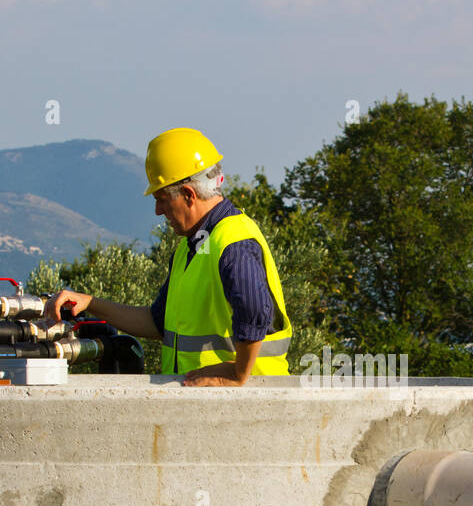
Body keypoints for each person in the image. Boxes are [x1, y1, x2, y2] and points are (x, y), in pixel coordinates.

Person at [44, 128, 292, 386]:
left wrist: (238, 373)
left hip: (249, 406)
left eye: (162, 199)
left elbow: (254, 312)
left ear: (188, 194)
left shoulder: (232, 242)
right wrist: (90, 302)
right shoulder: (191, 247)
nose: (157, 211)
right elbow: (156, 322)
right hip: (207, 405)